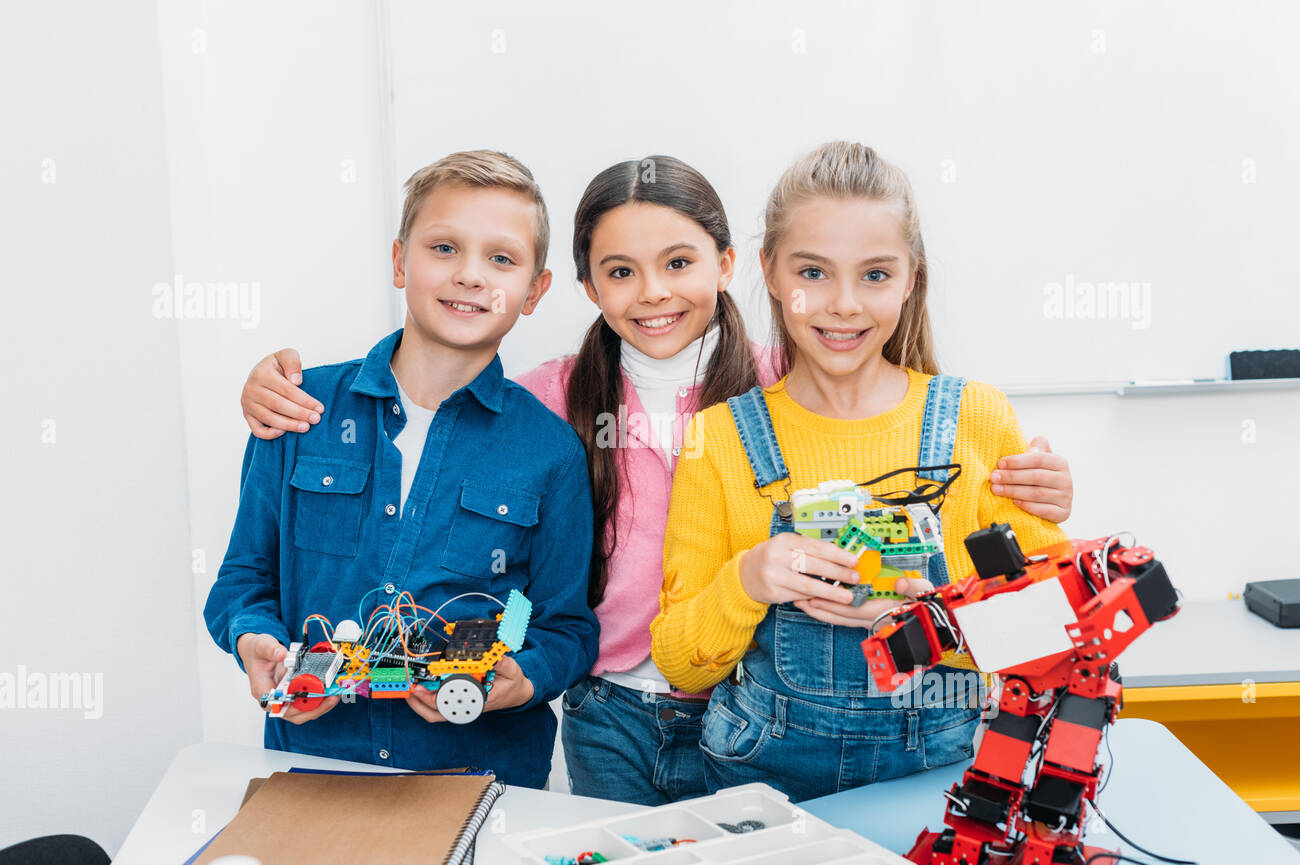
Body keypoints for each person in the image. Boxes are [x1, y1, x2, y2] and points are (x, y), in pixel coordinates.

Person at [236, 155, 1075, 806]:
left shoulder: (792, 375)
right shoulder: (547, 402)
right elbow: (437, 416)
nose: (653, 293)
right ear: (581, 285)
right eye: (621, 271)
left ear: (728, 262)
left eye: (678, 261)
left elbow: (910, 448)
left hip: (744, 707)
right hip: (609, 709)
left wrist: (1034, 489)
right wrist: (281, 384)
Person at [650, 141, 1070, 803]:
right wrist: (749, 576)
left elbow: (1052, 639)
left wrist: (927, 622)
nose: (843, 303)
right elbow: (679, 659)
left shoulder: (976, 419)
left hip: (935, 787)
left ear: (911, 278)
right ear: (769, 271)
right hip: (763, 795)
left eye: (875, 275)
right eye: (813, 272)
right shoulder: (721, 438)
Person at [204, 150, 598, 788]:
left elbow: (565, 625)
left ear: (534, 290)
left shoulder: (549, 450)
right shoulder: (298, 411)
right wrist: (255, 640)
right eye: (444, 247)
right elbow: (243, 582)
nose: (470, 275)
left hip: (479, 782)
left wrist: (521, 677)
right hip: (315, 771)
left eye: (501, 258)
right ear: (399, 262)